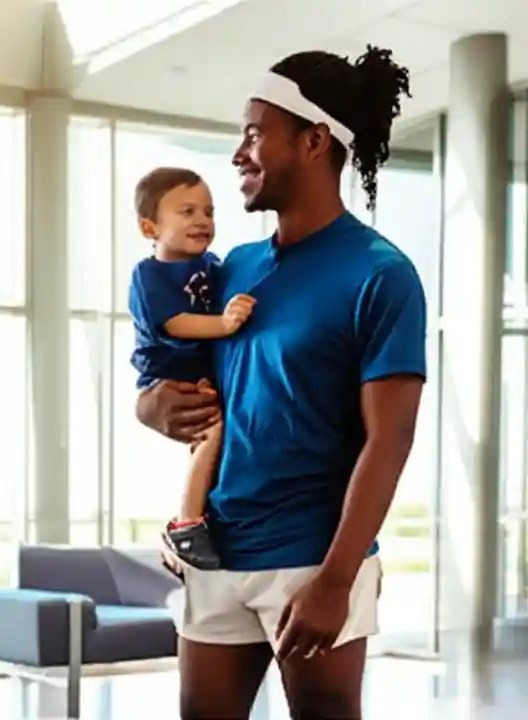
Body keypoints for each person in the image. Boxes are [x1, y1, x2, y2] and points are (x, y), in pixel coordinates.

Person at [139, 47, 422, 719]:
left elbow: (391, 440)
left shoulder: (381, 275)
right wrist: (151, 407)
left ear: (314, 140)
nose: (238, 153)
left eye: (255, 132)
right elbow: (197, 391)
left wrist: (337, 578)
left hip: (314, 561)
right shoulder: (229, 268)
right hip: (219, 550)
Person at [127, 167, 256, 569]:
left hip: (198, 367)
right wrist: (224, 323)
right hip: (170, 368)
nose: (202, 220)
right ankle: (185, 522)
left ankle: (196, 512)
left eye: (208, 211)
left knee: (210, 441)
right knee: (210, 432)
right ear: (150, 228)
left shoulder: (212, 265)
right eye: (186, 212)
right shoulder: (149, 274)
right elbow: (173, 323)